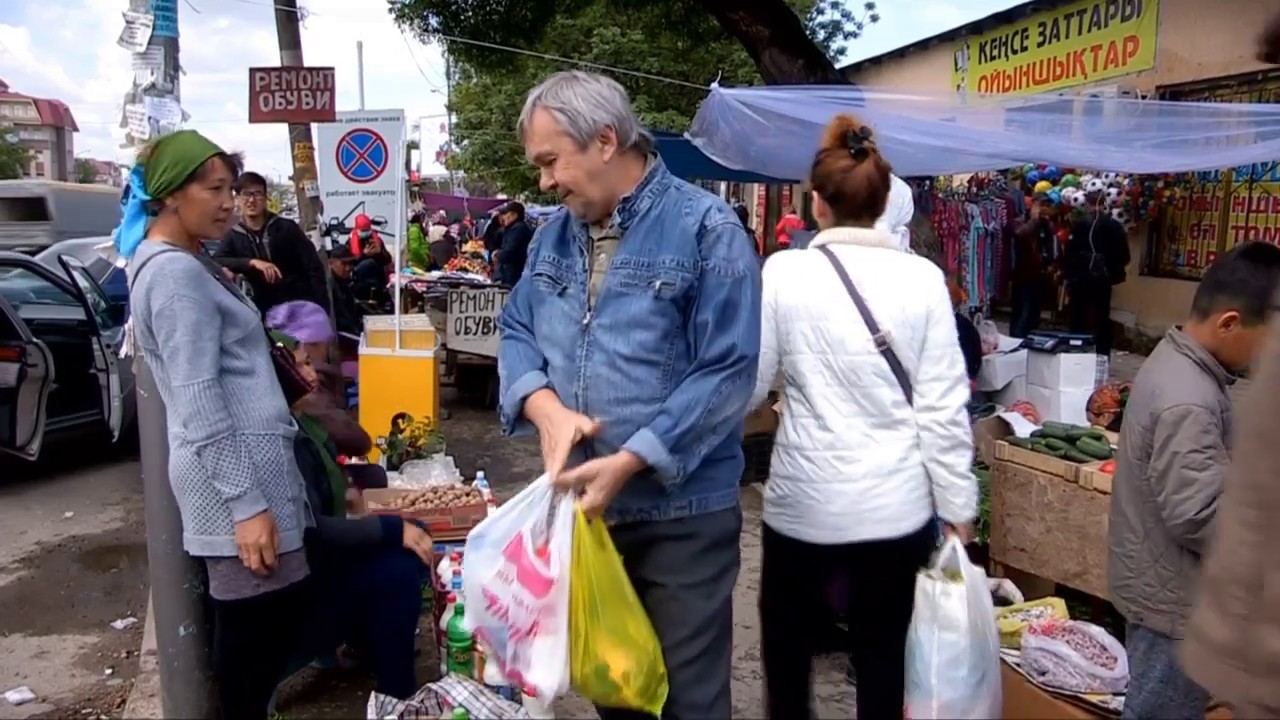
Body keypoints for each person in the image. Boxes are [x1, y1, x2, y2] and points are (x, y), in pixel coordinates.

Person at [497, 70, 760, 720]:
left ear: (606, 141)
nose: (545, 183)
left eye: (551, 161)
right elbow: (517, 327)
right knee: (616, 691)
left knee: (688, 703)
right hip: (588, 518)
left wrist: (634, 457)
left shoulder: (707, 229)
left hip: (682, 517)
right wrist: (544, 408)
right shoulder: (552, 237)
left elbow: (728, 369)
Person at [748, 115, 975, 720]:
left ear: (817, 204)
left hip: (803, 507)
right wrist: (958, 508)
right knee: (884, 661)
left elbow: (751, 384)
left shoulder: (784, 272)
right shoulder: (925, 281)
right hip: (895, 511)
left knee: (788, 662)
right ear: (883, 205)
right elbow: (943, 407)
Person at [118, 130, 312, 720]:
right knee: (250, 646)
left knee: (265, 633)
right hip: (235, 489)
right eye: (216, 190)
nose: (230, 203)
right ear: (170, 195)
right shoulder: (174, 278)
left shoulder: (191, 262)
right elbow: (198, 400)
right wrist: (246, 506)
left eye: (232, 189)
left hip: (251, 479)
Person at [1108, 241, 1280, 720]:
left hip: (1162, 588)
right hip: (1173, 608)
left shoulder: (1181, 364)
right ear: (1229, 323)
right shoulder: (1188, 399)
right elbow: (1198, 513)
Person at [272, 329, 429, 701]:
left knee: (415, 533)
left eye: (309, 363)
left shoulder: (299, 421)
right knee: (400, 569)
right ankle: (397, 695)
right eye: (301, 366)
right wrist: (388, 529)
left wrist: (349, 495)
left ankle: (366, 647)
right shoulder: (281, 438)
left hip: (314, 561)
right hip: (295, 588)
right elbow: (309, 532)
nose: (311, 373)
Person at [214, 171, 327, 315]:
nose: (252, 200)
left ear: (265, 197)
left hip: (298, 308)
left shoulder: (286, 228)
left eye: (258, 194)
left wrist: (320, 308)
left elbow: (313, 268)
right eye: (246, 194)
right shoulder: (234, 234)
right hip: (261, 311)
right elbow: (216, 261)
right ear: (237, 198)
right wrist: (252, 263)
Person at [1064, 193, 1130, 355]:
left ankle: (1077, 352)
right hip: (1103, 279)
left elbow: (1069, 252)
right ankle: (1102, 355)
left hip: (1080, 278)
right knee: (1102, 317)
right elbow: (1124, 255)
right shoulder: (1114, 226)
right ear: (1105, 204)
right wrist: (1113, 270)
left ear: (1087, 204)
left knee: (1078, 316)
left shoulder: (1079, 225)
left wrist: (1069, 274)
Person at [1009, 194, 1058, 338]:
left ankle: (1030, 341)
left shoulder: (1046, 224)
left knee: (1034, 314)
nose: (1044, 209)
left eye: (1047, 206)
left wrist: (1052, 264)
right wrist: (1034, 220)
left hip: (1040, 275)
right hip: (1024, 274)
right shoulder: (1021, 221)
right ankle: (1017, 341)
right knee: (1021, 312)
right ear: (1033, 205)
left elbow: (1052, 244)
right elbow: (1021, 234)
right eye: (1041, 205)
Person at [326, 244, 364, 337]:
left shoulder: (345, 283)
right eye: (343, 264)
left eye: (350, 263)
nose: (348, 268)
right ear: (331, 263)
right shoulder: (329, 287)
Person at [493, 200, 534, 286]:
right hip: (512, 275)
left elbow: (510, 252)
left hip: (513, 276)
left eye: (506, 213)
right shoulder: (512, 229)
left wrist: (498, 255)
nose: (504, 217)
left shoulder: (518, 229)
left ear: (514, 215)